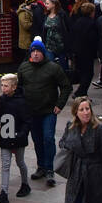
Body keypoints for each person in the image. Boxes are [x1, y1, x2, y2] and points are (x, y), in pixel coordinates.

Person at [19, 37, 71, 187]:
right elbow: (19, 88)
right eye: (33, 51)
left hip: (48, 111)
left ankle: (50, 168)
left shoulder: (53, 67)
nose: (35, 54)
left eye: (38, 51)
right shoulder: (24, 68)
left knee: (48, 138)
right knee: (37, 139)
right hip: (31, 111)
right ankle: (41, 166)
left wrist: (60, 105)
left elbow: (66, 86)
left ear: (43, 53)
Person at [0, 72, 31, 203]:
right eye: (2, 85)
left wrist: (22, 134)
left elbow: (26, 120)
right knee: (5, 164)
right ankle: (4, 192)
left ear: (14, 87)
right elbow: (1, 115)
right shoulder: (2, 99)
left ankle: (25, 183)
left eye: (6, 86)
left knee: (20, 162)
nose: (3, 88)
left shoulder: (22, 102)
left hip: (18, 137)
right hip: (5, 136)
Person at [69, 0, 99, 96]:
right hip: (87, 53)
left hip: (77, 51)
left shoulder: (77, 22)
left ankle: (82, 94)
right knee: (88, 73)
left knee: (82, 72)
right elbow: (93, 39)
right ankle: (80, 92)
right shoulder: (91, 24)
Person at [42, 0, 70, 73]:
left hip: (61, 46)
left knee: (63, 68)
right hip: (49, 46)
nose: (45, 5)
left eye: (47, 3)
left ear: (54, 4)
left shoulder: (61, 15)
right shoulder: (46, 15)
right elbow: (44, 30)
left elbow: (68, 28)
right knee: (50, 67)